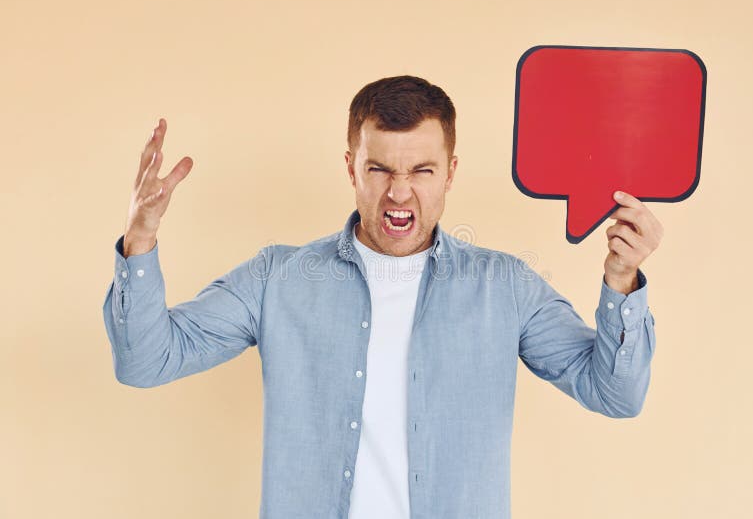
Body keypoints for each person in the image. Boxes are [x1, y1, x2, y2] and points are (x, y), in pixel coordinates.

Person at [102, 75, 662, 519]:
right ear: (351, 168)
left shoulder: (505, 288)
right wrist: (141, 240)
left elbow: (614, 394)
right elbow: (145, 361)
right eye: (379, 168)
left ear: (450, 174)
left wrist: (621, 280)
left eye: (422, 169)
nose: (400, 191)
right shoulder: (278, 278)